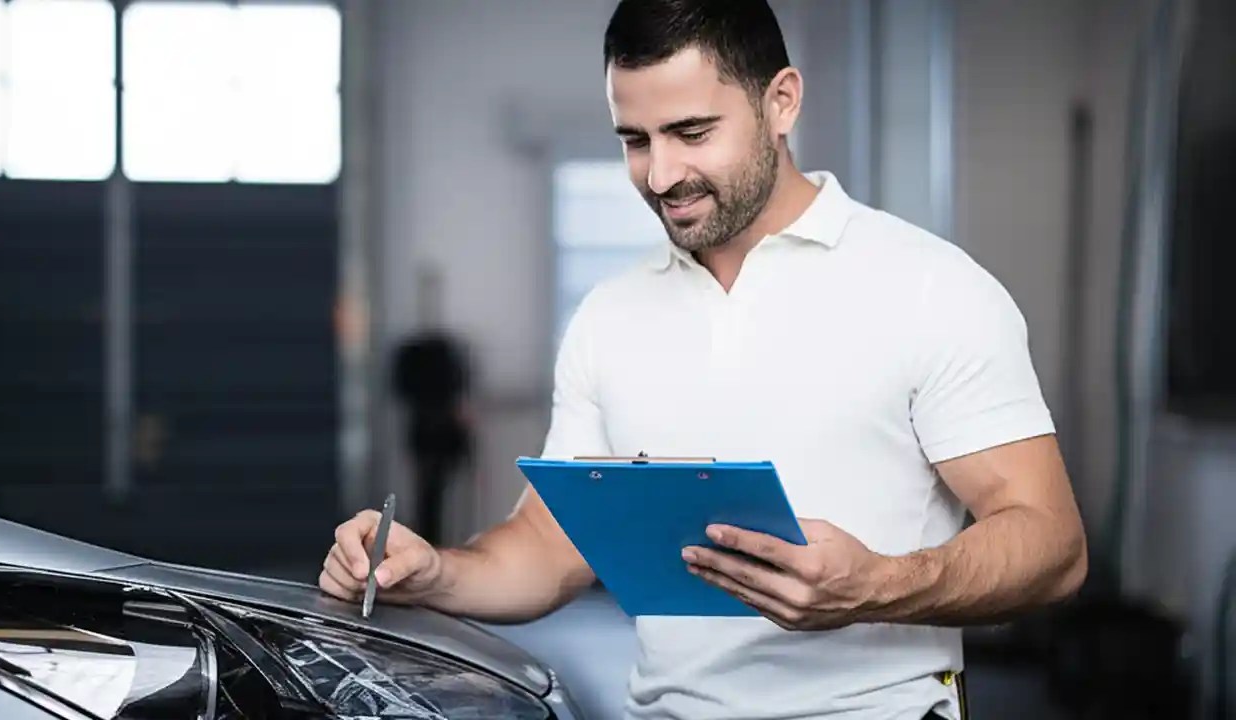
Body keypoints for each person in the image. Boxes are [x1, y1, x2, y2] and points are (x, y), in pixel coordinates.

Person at [318, 1, 1088, 717]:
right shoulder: (609, 316)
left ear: (781, 101)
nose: (660, 175)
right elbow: (553, 546)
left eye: (692, 133)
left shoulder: (930, 287)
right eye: (634, 140)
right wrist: (433, 574)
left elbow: (1052, 547)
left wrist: (880, 585)